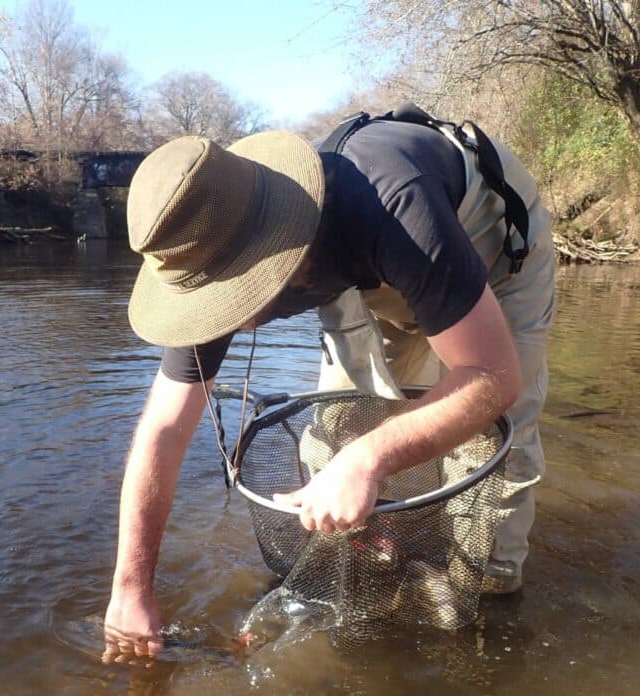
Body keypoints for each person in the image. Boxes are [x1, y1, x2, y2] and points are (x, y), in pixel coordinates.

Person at [103, 113, 556, 660]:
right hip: (356, 260)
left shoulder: (395, 206)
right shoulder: (203, 247)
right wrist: (130, 587)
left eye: (236, 297)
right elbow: (163, 430)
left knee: (483, 456)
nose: (224, 316)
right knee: (335, 440)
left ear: (281, 263)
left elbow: (494, 377)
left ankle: (483, 602)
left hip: (485, 247)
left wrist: (370, 457)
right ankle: (382, 555)